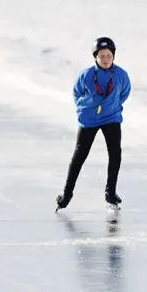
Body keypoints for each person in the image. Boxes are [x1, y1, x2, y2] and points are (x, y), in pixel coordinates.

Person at [56, 37, 131, 211]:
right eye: (102, 56)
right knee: (79, 156)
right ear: (95, 57)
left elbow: (124, 93)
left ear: (113, 56)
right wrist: (87, 109)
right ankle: (67, 195)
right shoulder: (87, 75)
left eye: (109, 56)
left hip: (111, 117)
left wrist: (111, 107)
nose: (105, 59)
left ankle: (110, 193)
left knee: (115, 154)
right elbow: (77, 93)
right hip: (89, 119)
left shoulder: (121, 75)